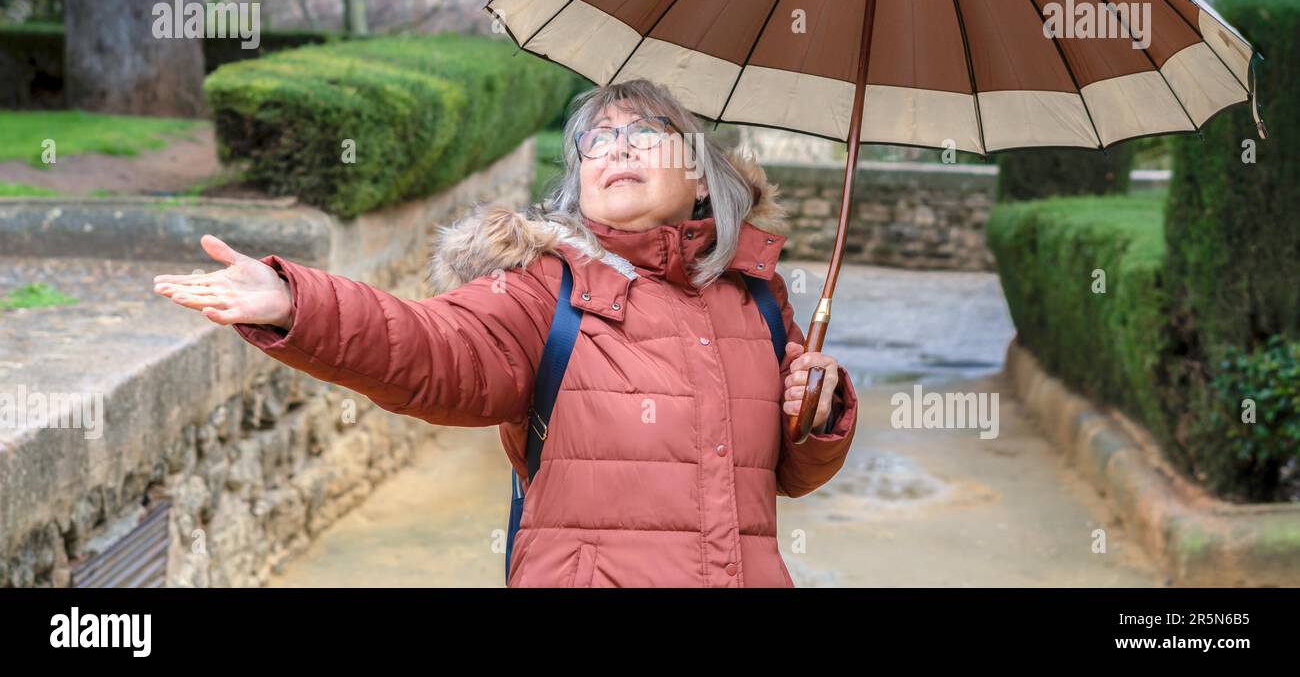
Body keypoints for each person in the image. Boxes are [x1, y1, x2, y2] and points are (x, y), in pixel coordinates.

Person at [153, 77, 858, 586]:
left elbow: (783, 476)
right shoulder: (544, 287)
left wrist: (817, 414)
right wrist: (297, 302)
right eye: (596, 140)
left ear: (701, 177)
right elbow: (427, 349)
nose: (617, 148)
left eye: (645, 134)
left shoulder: (756, 301)